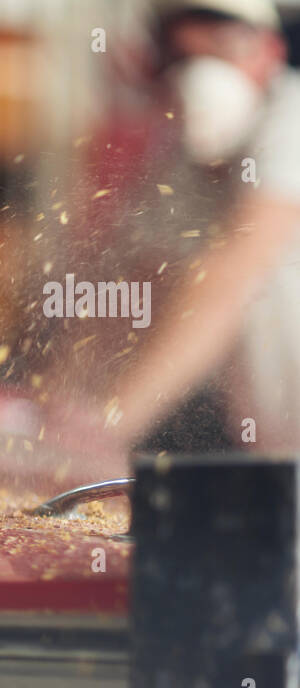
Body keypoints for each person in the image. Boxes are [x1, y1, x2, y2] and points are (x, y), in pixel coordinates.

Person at [45, 0, 300, 472]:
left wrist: (109, 423)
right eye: (184, 57)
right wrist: (59, 401)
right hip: (273, 452)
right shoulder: (183, 159)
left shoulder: (292, 121)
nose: (202, 75)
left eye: (223, 48)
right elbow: (137, 285)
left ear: (270, 51)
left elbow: (229, 280)